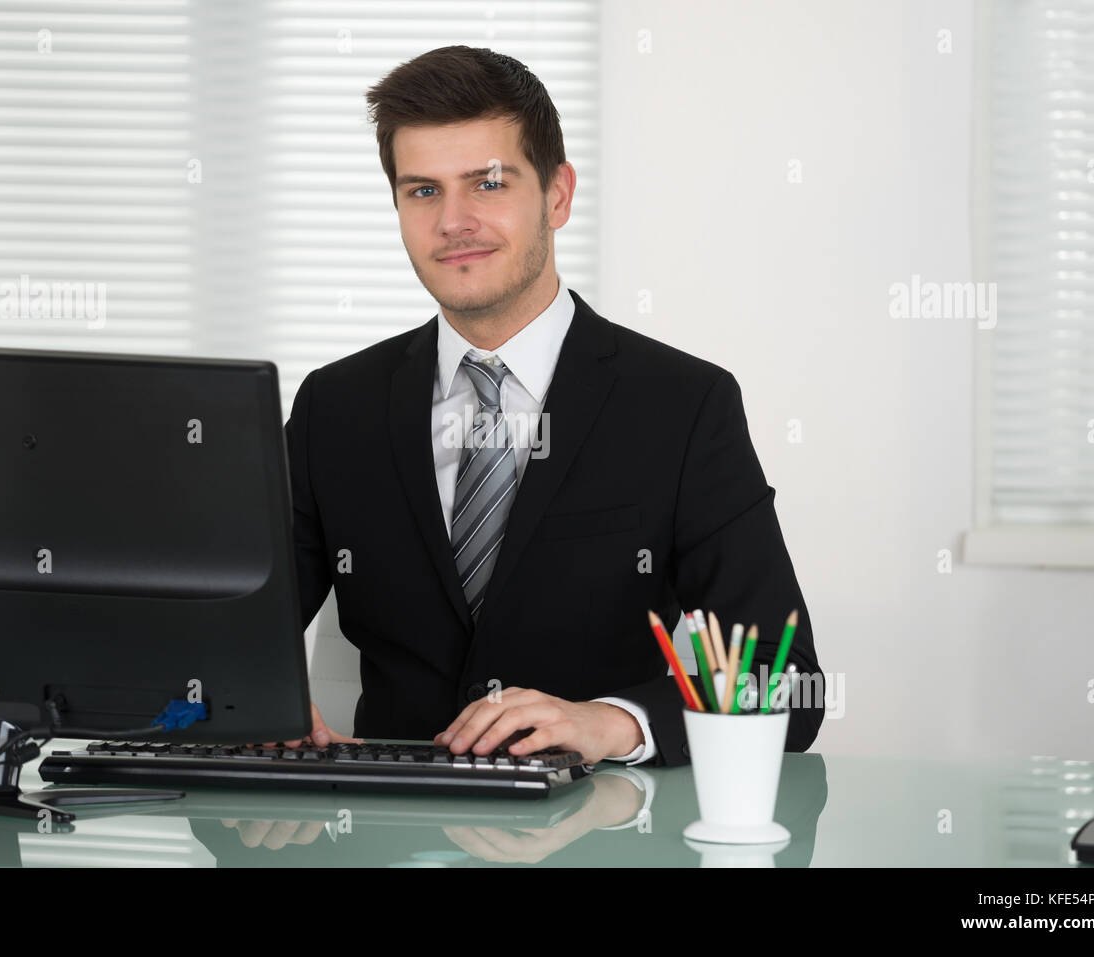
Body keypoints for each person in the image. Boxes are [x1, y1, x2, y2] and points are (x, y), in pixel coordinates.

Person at [281, 45, 823, 766]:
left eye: (489, 184)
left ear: (558, 196)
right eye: (423, 191)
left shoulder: (683, 405)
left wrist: (614, 723)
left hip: (598, 826)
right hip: (389, 827)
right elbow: (226, 631)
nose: (454, 221)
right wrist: (258, 704)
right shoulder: (334, 406)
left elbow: (786, 683)